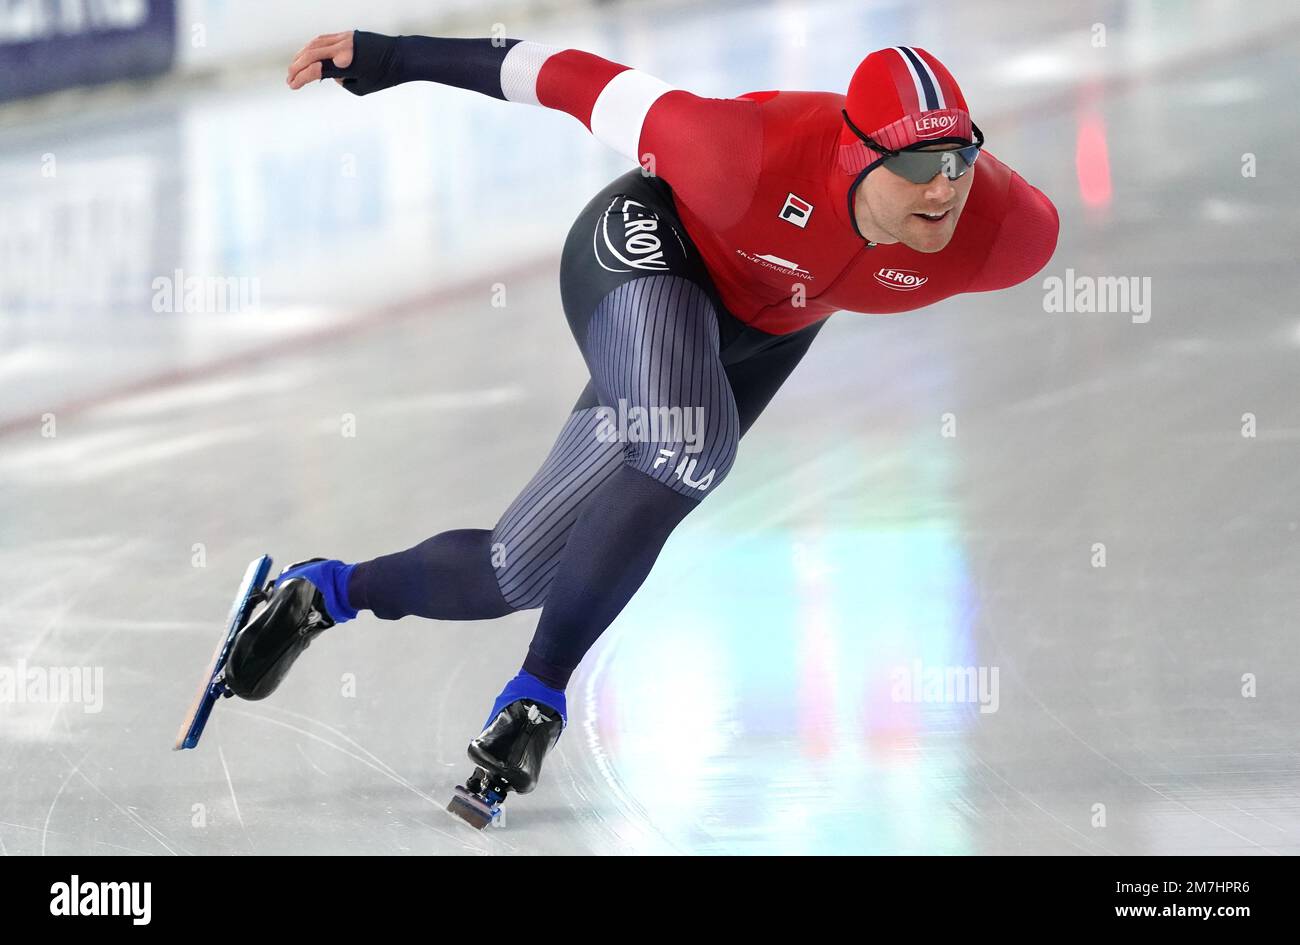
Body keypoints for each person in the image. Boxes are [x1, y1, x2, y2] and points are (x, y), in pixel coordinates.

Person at [222, 30, 1060, 823]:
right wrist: (394, 55)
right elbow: (566, 77)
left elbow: (977, 198)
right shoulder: (739, 149)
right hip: (648, 252)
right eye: (917, 162)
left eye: (958, 156)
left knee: (513, 573)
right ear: (854, 152)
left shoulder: (1005, 233)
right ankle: (535, 698)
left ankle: (320, 592)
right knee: (690, 442)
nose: (945, 186)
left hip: (763, 332)